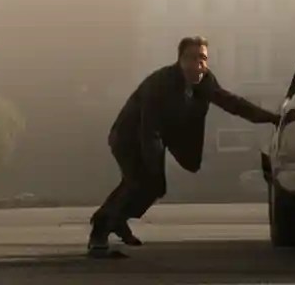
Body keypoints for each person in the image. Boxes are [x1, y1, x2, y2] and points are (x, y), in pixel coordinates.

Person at [87, 35, 280, 256]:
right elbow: (149, 126)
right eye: (191, 58)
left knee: (153, 187)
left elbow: (233, 104)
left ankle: (117, 220)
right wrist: (153, 163)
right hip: (128, 137)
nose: (198, 64)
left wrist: (272, 118)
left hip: (156, 137)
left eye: (203, 58)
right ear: (180, 60)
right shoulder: (161, 83)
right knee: (138, 182)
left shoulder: (205, 81)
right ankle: (99, 231)